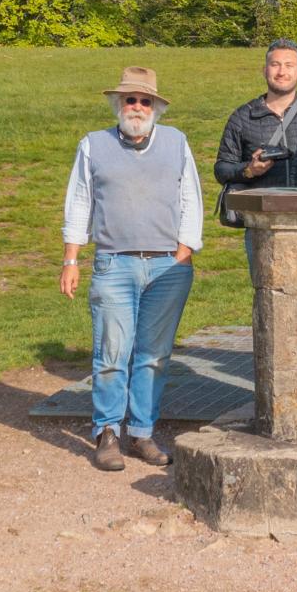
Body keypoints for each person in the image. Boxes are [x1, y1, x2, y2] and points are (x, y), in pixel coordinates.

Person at [60, 65, 203, 472]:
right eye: (130, 99)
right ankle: (107, 433)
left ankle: (142, 432)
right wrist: (71, 259)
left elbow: (190, 197)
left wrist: (183, 251)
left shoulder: (176, 142)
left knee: (154, 355)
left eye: (144, 100)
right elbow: (80, 204)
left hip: (167, 266)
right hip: (113, 263)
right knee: (111, 353)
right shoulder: (93, 145)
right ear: (118, 104)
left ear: (156, 106)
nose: (137, 107)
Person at [213, 40, 297, 264]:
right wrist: (249, 170)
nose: (282, 71)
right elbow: (221, 168)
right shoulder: (243, 117)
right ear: (265, 70)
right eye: (275, 64)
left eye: (289, 65)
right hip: (262, 226)